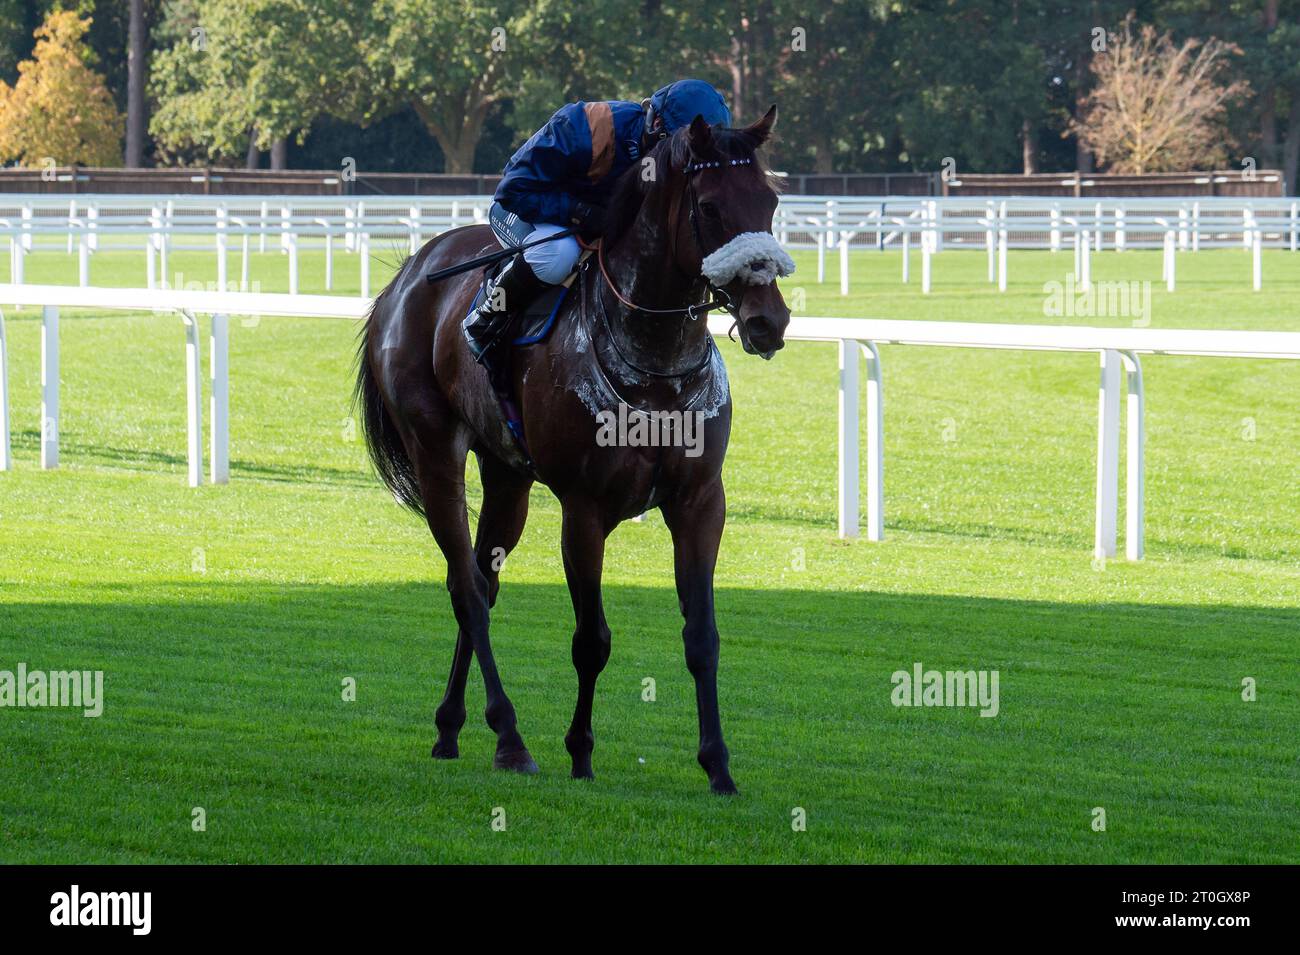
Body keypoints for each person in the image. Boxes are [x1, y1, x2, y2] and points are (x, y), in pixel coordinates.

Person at [463, 79, 732, 379]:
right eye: (682, 148)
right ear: (656, 123)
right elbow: (512, 191)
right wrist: (582, 213)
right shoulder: (584, 127)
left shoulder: (664, 152)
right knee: (557, 255)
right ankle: (486, 316)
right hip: (520, 209)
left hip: (593, 220)